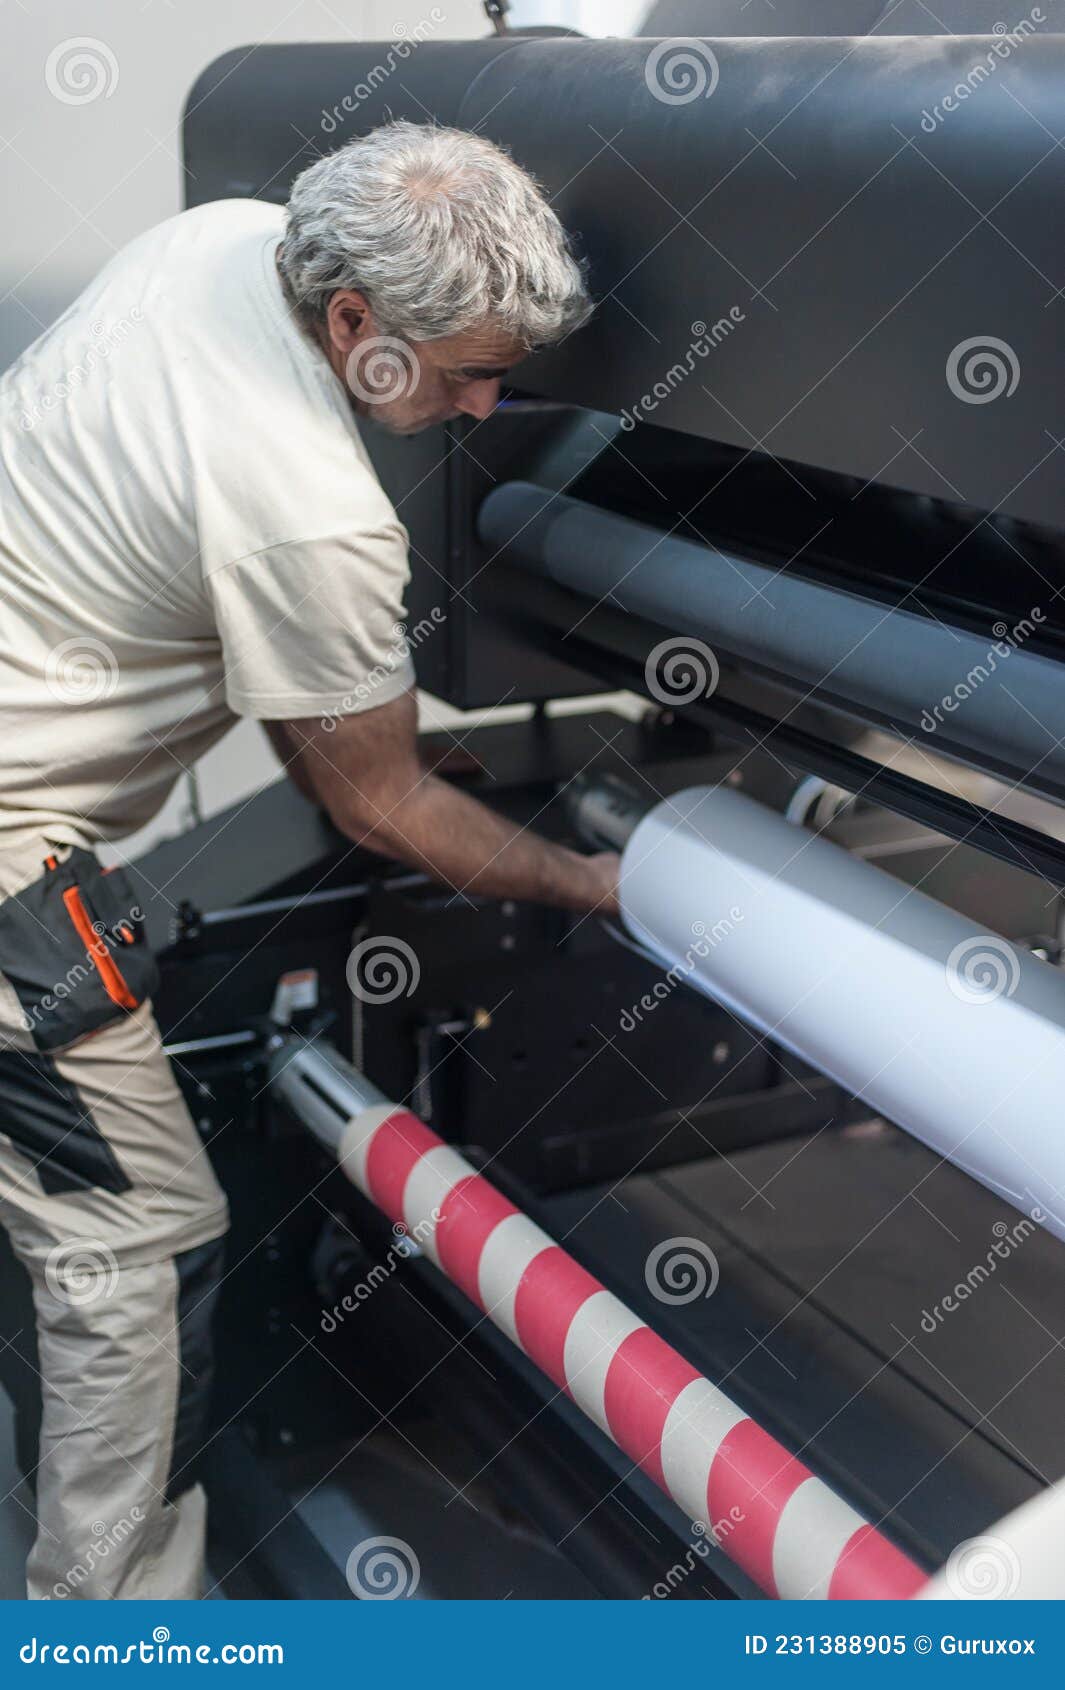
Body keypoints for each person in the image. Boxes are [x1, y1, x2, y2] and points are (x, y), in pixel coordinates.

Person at [0, 119, 620, 1598]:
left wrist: (375, 761)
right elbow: (381, 806)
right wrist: (607, 886)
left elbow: (306, 695)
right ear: (352, 321)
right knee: (141, 1244)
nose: (482, 408)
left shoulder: (218, 236)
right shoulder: (317, 521)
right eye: (464, 370)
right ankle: (111, 1623)